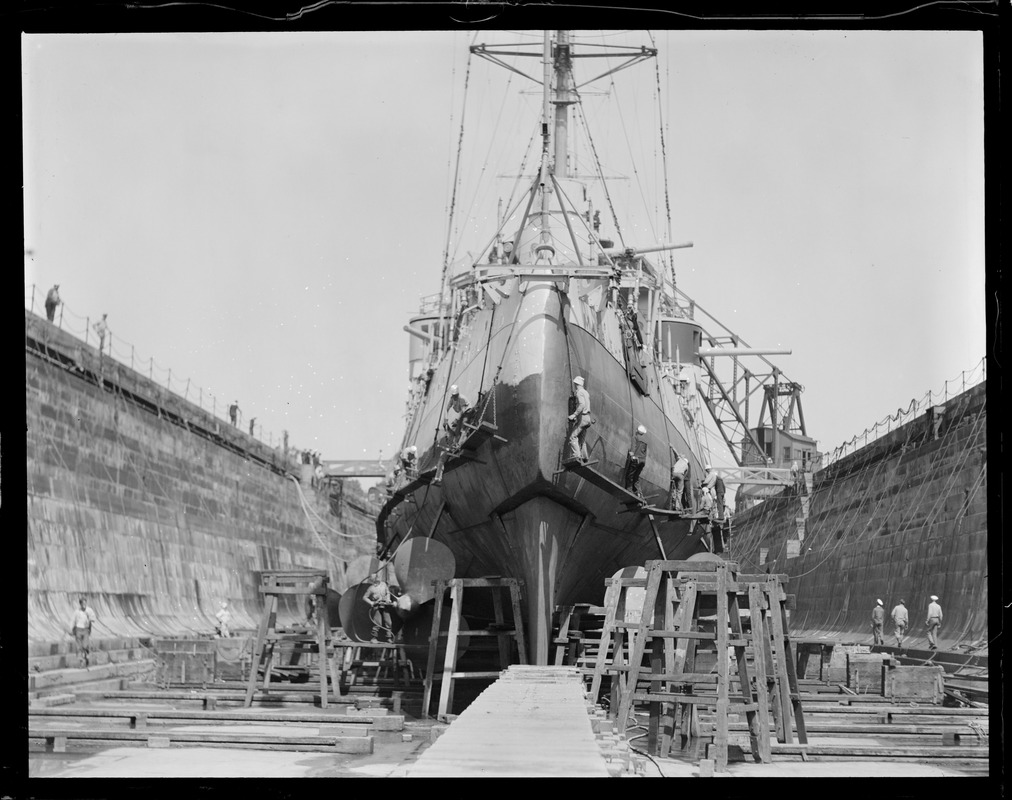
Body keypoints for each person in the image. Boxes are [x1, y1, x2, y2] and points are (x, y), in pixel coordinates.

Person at [565, 376, 592, 463]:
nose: (575, 386)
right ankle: (584, 457)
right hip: (588, 418)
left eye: (575, 384)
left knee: (572, 437)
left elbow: (582, 404)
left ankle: (576, 455)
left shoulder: (580, 392)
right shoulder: (586, 392)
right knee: (582, 439)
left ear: (577, 384)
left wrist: (574, 415)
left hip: (583, 418)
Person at [69, 596, 98, 668]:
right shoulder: (77, 611)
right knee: (79, 647)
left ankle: (87, 655)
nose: (84, 605)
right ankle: (81, 662)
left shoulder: (89, 610)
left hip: (85, 630)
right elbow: (73, 620)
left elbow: (92, 619)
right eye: (82, 603)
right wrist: (71, 629)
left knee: (85, 646)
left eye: (85, 603)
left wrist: (90, 623)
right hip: (78, 629)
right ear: (80, 604)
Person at [623, 425, 648, 497]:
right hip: (642, 461)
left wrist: (631, 455)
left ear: (637, 430)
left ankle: (629, 491)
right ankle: (639, 493)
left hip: (636, 459)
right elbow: (644, 451)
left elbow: (633, 447)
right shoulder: (645, 441)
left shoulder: (635, 437)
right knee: (636, 477)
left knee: (630, 475)